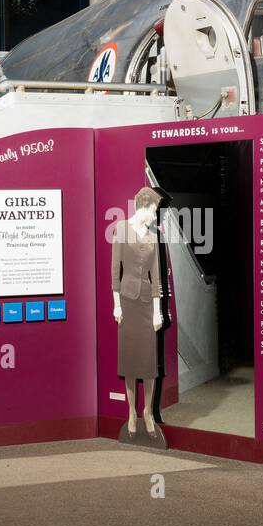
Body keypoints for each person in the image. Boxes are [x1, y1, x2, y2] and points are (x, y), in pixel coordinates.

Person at [110, 186, 167, 448]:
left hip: (146, 305)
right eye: (154, 210)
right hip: (127, 304)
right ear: (144, 207)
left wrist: (158, 311)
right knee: (130, 360)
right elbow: (115, 273)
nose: (155, 216)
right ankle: (132, 412)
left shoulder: (154, 236)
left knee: (149, 362)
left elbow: (157, 277)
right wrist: (116, 306)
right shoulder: (121, 229)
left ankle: (147, 412)